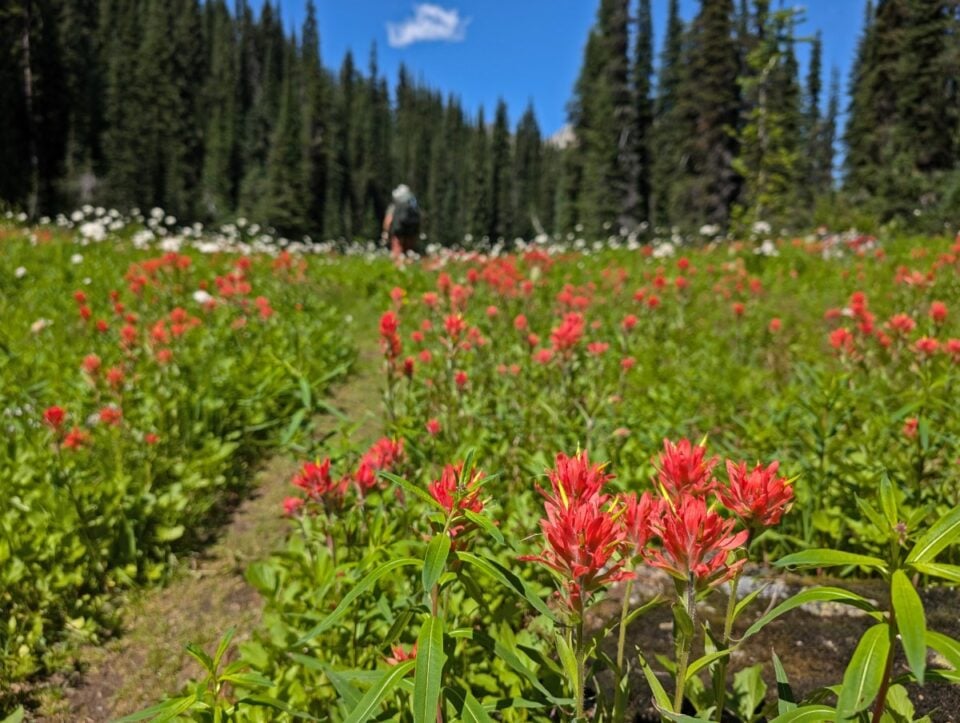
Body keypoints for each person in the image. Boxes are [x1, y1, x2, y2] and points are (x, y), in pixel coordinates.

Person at [383, 184, 421, 260]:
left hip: (398, 230)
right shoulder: (413, 203)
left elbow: (388, 219)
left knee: (397, 250)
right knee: (409, 252)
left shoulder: (395, 205)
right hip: (411, 230)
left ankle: (397, 268)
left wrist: (386, 232)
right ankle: (409, 268)